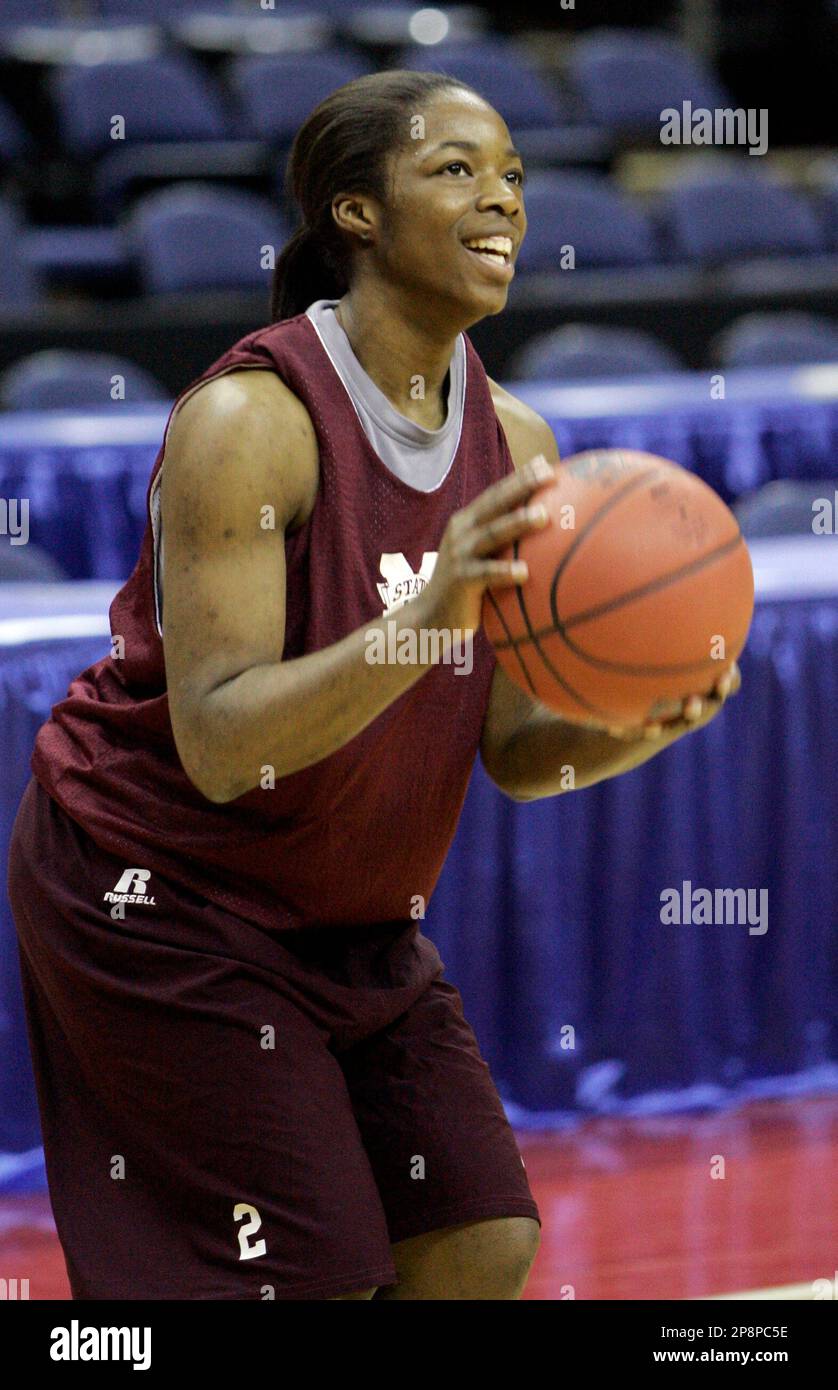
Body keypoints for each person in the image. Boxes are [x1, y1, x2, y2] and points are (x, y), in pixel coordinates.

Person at [7, 70, 739, 1301]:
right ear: (355, 212)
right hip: (162, 895)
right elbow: (225, 743)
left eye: (510, 171)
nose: (500, 195)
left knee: (478, 1241)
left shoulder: (522, 443)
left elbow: (512, 749)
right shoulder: (252, 417)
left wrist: (637, 724)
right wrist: (427, 613)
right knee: (314, 1275)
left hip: (348, 913)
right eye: (455, 169)